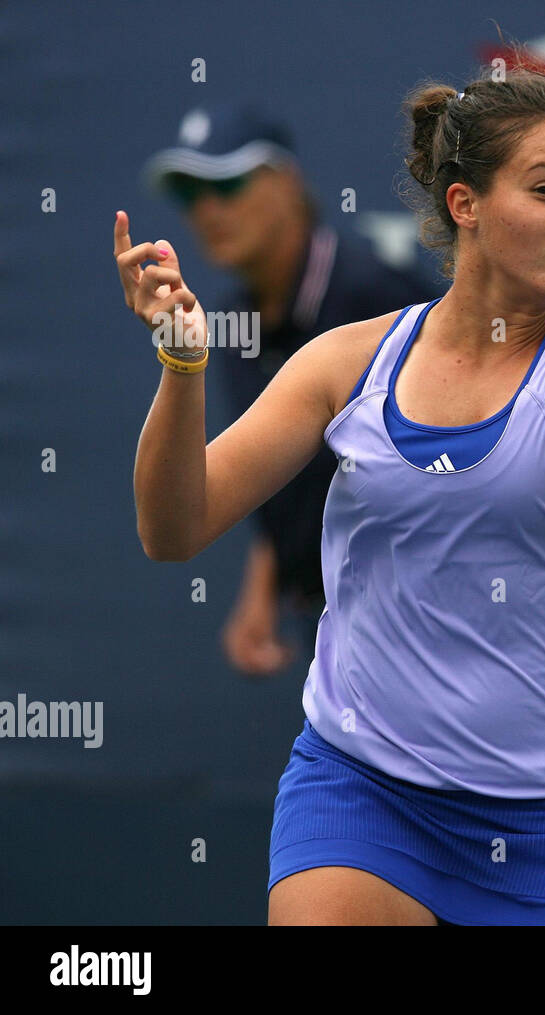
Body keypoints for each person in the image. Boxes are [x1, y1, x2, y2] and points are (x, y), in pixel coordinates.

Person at [118, 63, 545, 926]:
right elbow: (174, 527)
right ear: (464, 204)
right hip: (361, 787)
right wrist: (182, 363)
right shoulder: (345, 361)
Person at [141, 102, 436, 676]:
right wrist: (266, 586)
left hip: (424, 630)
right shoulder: (227, 325)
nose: (206, 211)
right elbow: (284, 469)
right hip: (330, 628)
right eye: (188, 195)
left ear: (287, 182)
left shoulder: (378, 297)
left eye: (225, 185)